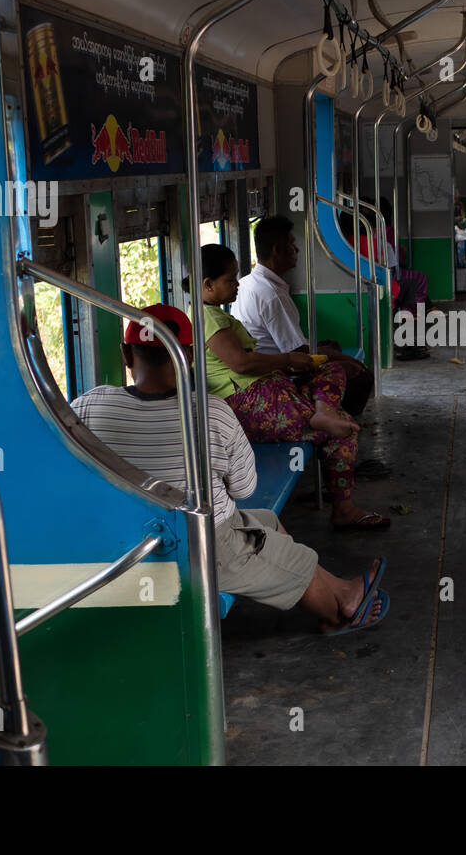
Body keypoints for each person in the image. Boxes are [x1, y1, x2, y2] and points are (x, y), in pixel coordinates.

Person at [69, 304, 388, 632]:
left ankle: (321, 584)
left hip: (122, 534)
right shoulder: (210, 413)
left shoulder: (87, 405)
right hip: (194, 539)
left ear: (126, 354)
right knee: (276, 552)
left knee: (267, 522)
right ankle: (340, 608)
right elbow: (244, 488)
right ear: (189, 357)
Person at [189, 244, 391, 531]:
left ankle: (321, 410)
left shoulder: (216, 315)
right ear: (208, 284)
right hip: (249, 405)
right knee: (343, 430)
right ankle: (343, 509)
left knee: (332, 369)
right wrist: (286, 360)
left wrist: (290, 365)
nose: (236, 285)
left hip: (268, 392)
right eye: (230, 279)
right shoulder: (206, 317)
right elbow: (241, 364)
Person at [231, 215, 374, 417]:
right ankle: (340, 424)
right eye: (291, 244)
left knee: (331, 347)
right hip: (278, 371)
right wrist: (342, 358)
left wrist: (326, 349)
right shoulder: (272, 295)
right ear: (276, 250)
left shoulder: (247, 282)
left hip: (268, 359)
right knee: (359, 374)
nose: (296, 250)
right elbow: (298, 353)